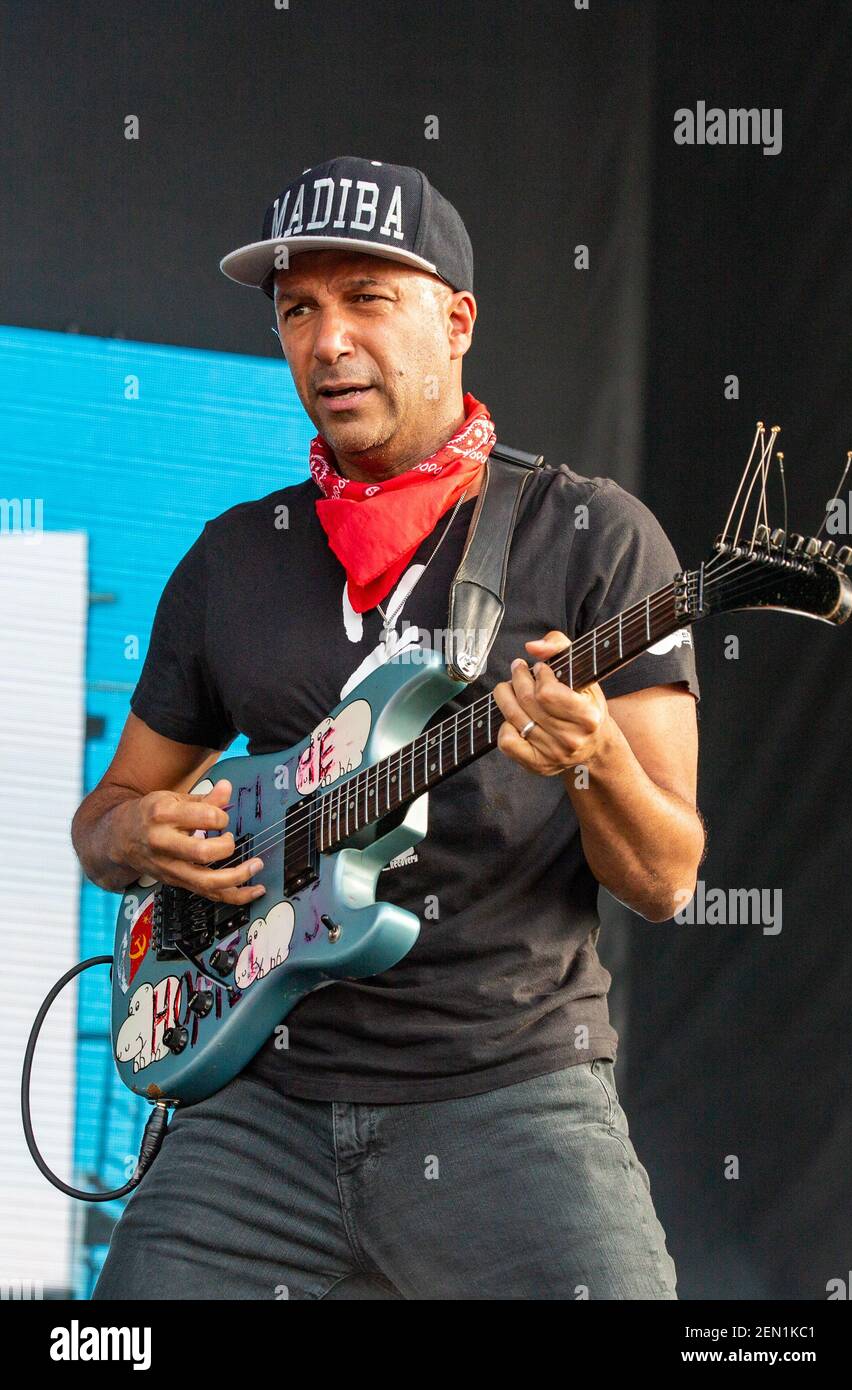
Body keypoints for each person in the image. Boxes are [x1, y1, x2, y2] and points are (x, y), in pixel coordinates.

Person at [74, 156, 704, 1300]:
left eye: (368, 298)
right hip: (254, 1103)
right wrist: (136, 841)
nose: (328, 342)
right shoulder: (232, 555)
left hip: (507, 1095)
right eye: (298, 309)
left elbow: (663, 877)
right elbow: (104, 818)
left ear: (456, 320)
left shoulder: (591, 537)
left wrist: (595, 758)